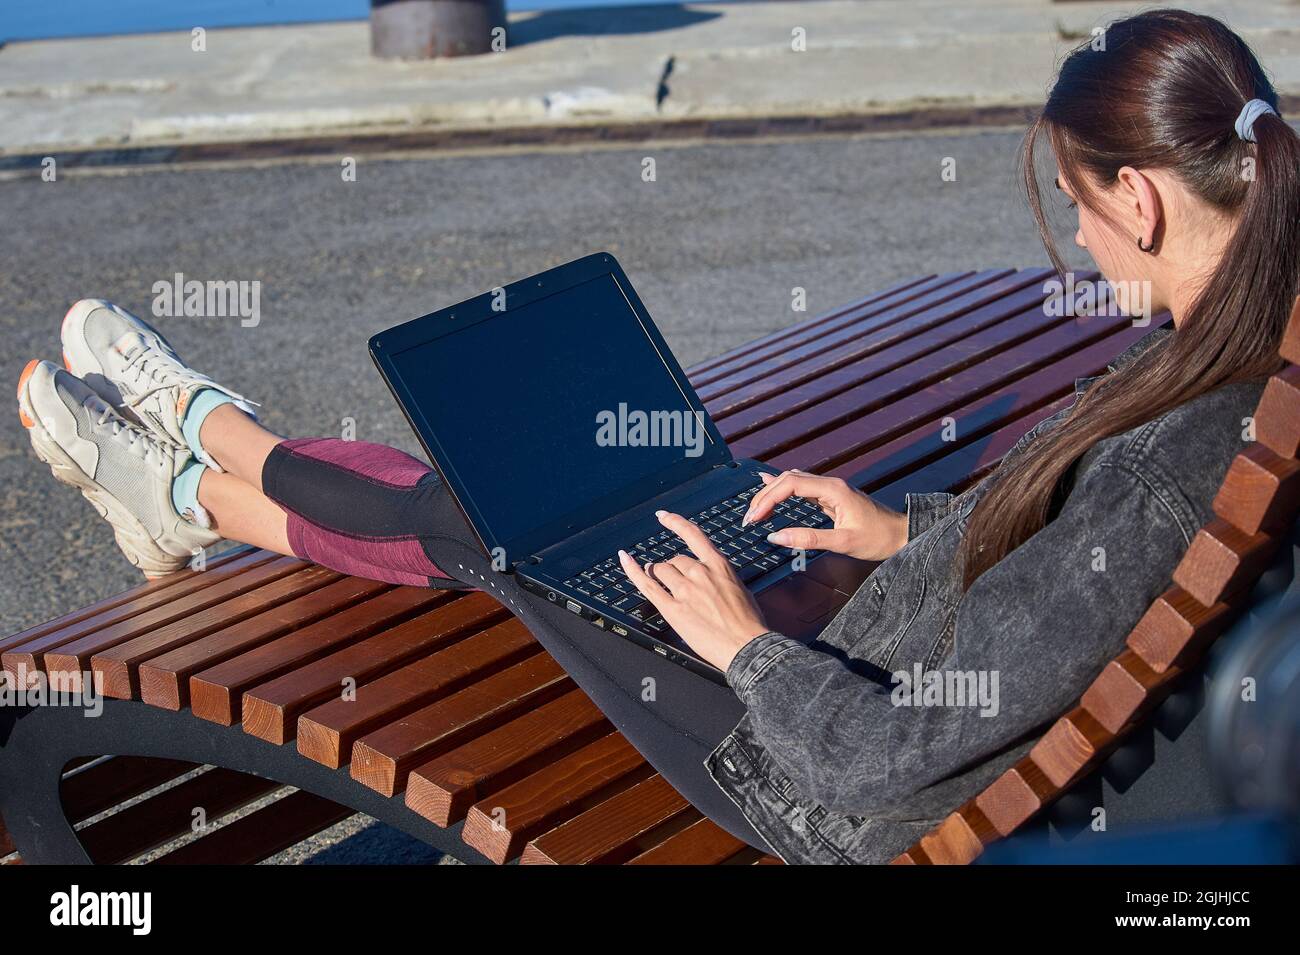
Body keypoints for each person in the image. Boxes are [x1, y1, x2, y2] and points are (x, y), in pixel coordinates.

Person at [16, 9, 1299, 863]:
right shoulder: (1240, 357)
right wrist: (893, 526)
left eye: (1076, 205)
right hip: (855, 674)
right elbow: (1059, 565)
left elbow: (893, 754)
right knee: (540, 510)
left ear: (1138, 196)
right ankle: (193, 471)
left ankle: (197, 445)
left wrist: (739, 646)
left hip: (809, 778)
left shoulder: (1171, 456)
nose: (1072, 237)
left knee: (506, 518)